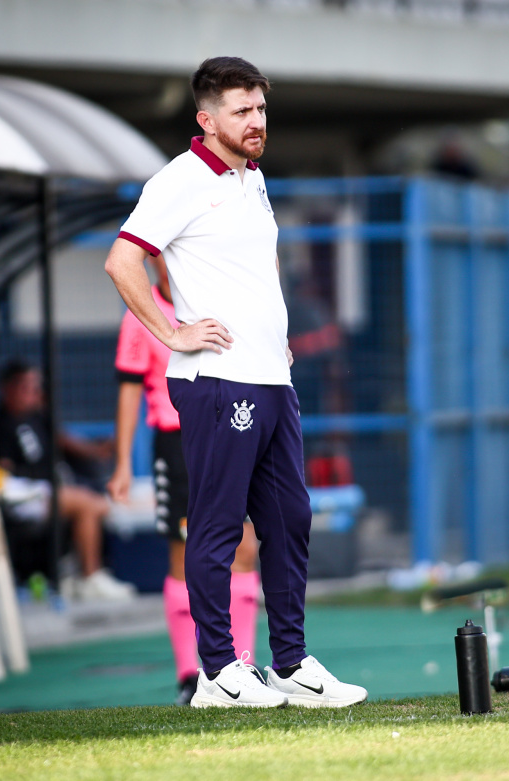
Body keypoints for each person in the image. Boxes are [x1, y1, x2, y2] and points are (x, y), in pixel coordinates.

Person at [104, 56, 367, 708]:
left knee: (292, 517)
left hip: (270, 377)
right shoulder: (180, 179)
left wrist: (268, 328)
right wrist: (172, 334)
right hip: (217, 382)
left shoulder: (251, 178)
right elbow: (122, 260)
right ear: (206, 118)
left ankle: (290, 663)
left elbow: (251, 266)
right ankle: (217, 671)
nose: (256, 122)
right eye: (242, 111)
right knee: (217, 528)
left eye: (260, 109)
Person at [107, 255, 261, 706]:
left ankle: (244, 665)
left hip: (229, 434)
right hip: (177, 447)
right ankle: (190, 675)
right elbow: (129, 391)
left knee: (245, 546)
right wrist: (121, 463)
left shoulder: (219, 303)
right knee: (186, 555)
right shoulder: (141, 316)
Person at [0, 360, 135, 602]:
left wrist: (97, 450)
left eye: (37, 388)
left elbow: (66, 442)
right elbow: (3, 472)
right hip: (22, 496)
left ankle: (82, 572)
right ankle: (89, 576)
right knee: (88, 504)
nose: (35, 394)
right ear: (8, 389)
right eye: (28, 388)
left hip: (47, 492)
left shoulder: (39, 418)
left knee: (98, 502)